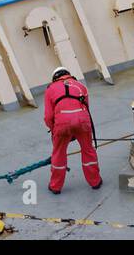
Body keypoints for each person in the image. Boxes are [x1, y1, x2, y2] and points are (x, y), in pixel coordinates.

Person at [43, 66, 102, 194]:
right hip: (82, 122)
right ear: (69, 75)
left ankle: (55, 186)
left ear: (54, 78)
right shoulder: (81, 86)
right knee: (88, 150)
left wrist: (54, 130)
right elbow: (86, 108)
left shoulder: (50, 90)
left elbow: (48, 117)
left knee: (59, 154)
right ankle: (95, 182)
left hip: (62, 124)